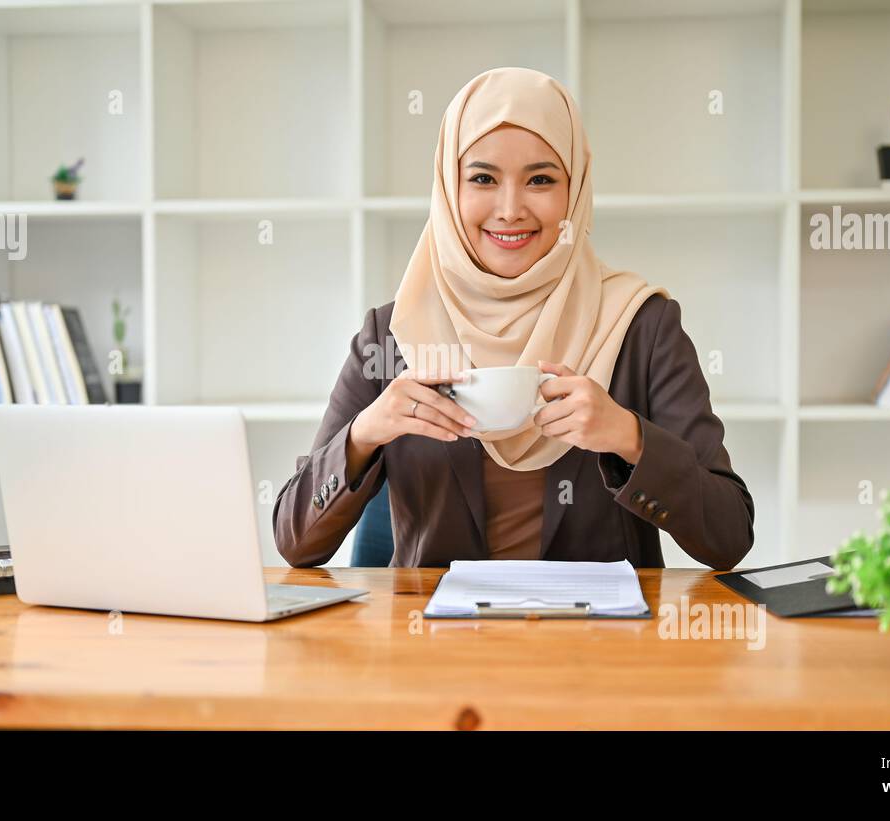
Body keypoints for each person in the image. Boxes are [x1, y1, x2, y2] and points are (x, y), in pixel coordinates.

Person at [273, 67, 754, 570]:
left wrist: (629, 437)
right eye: (482, 178)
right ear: (448, 189)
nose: (509, 209)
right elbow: (295, 542)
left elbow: (729, 537)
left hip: (604, 642)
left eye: (540, 180)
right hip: (433, 642)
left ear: (575, 190)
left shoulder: (641, 325)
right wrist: (364, 434)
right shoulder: (393, 335)